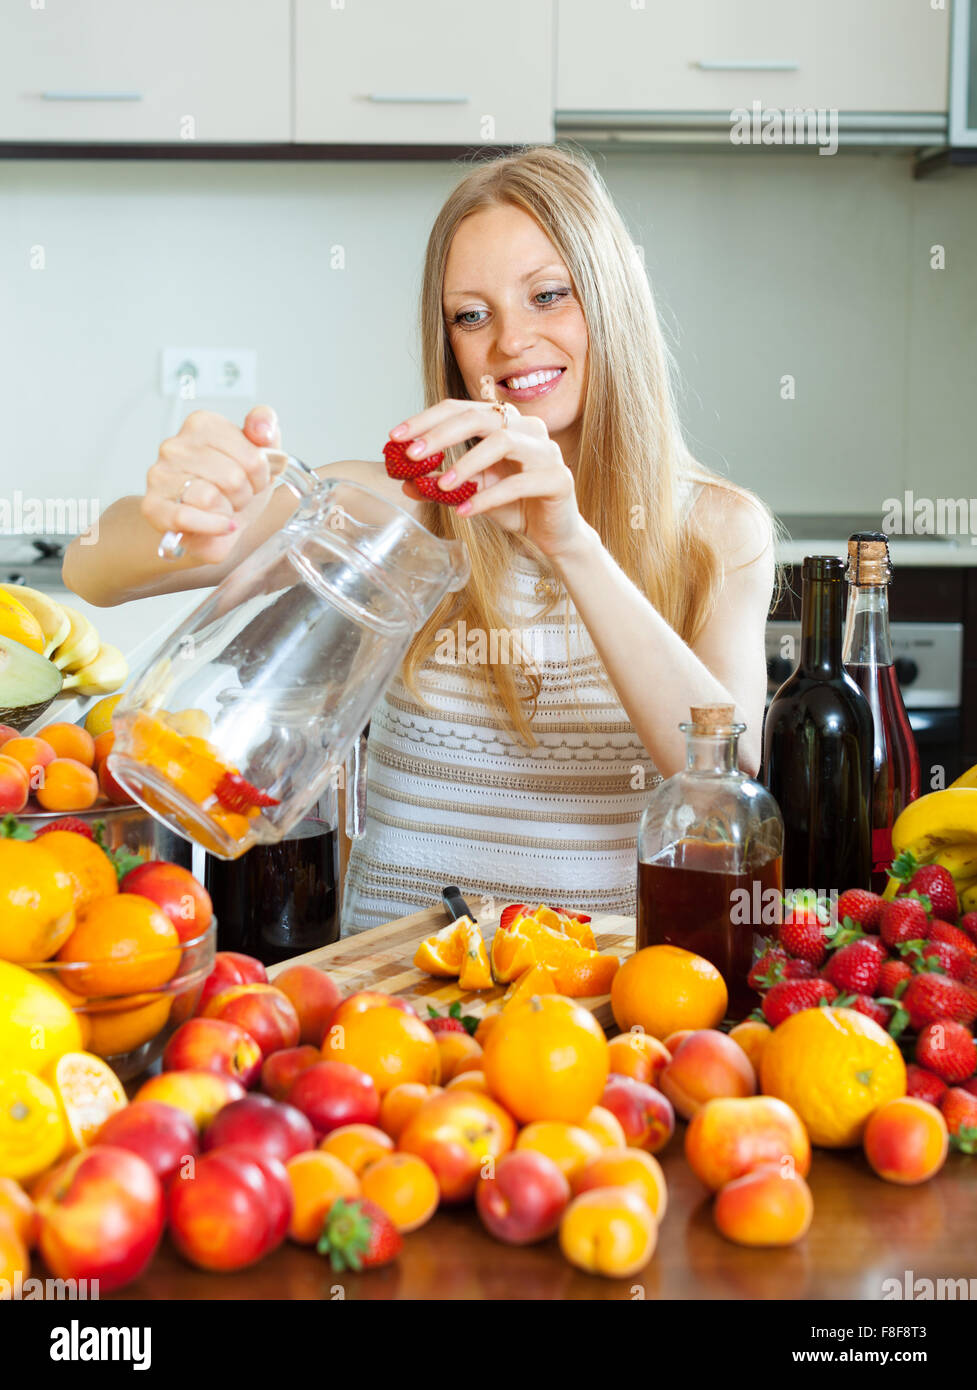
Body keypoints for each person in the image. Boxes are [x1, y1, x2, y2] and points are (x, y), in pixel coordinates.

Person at [64, 144, 775, 934]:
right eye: (472, 315)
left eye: (548, 296)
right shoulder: (396, 507)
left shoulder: (717, 531)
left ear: (610, 302)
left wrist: (570, 544)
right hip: (386, 1003)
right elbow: (92, 571)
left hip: (594, 1009)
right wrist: (178, 512)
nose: (510, 342)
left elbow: (721, 776)